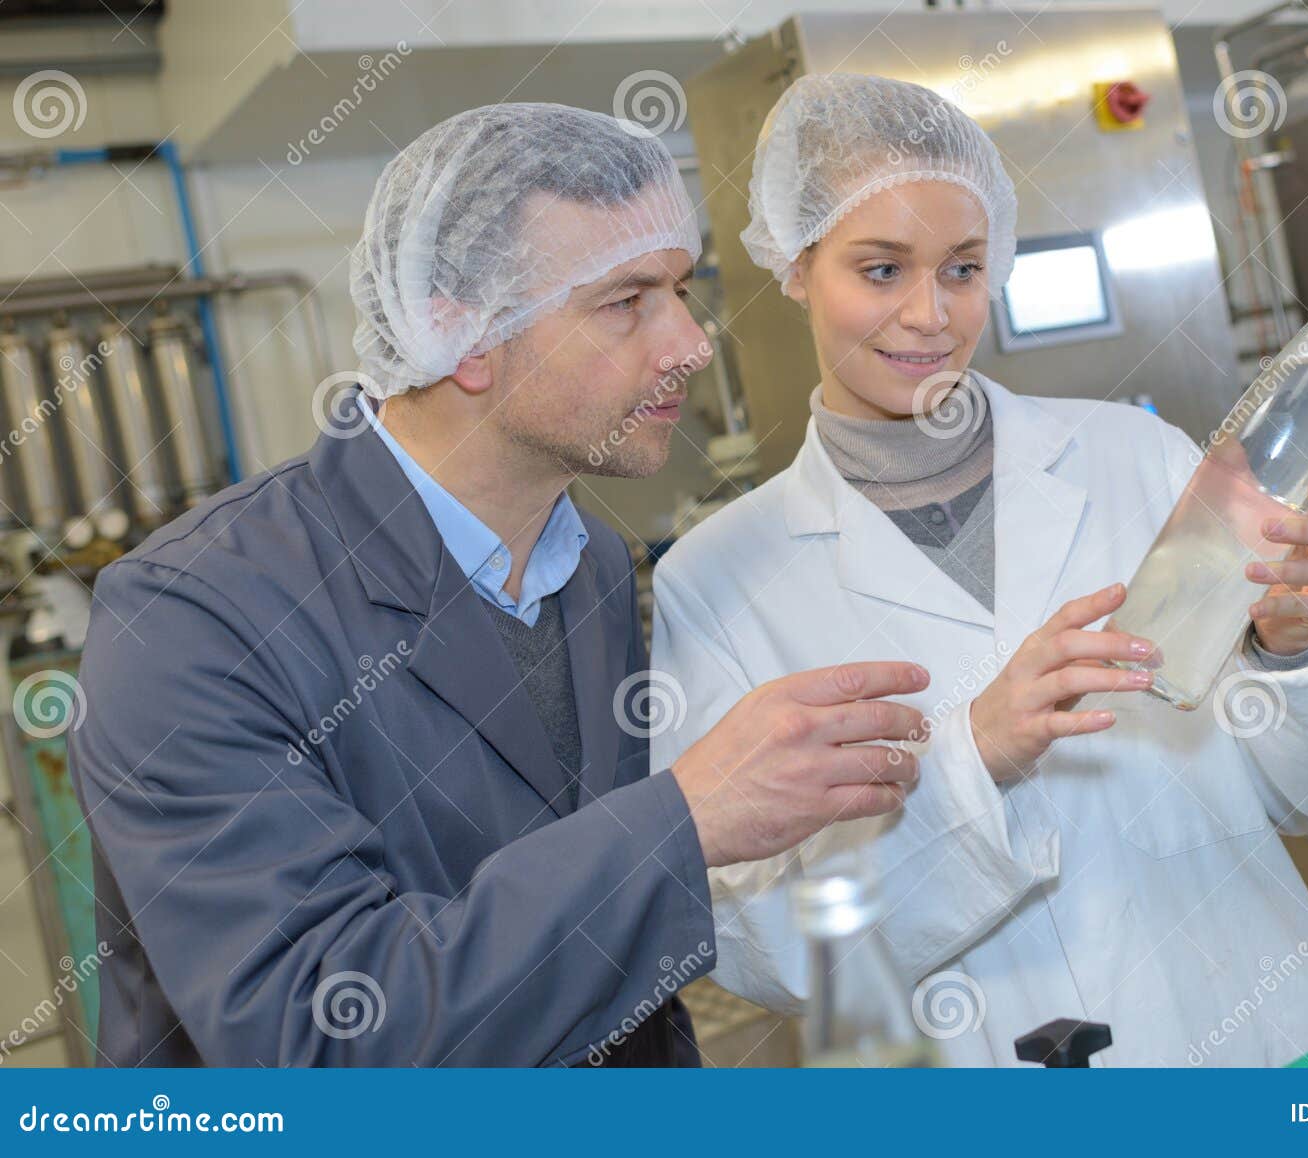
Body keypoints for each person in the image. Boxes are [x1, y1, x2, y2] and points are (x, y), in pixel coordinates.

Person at [68, 103, 931, 1067]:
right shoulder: (197, 617)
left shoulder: (590, 566)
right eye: (626, 302)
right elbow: (322, 1036)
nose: (689, 341)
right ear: (462, 334)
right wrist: (688, 816)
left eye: (682, 290)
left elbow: (608, 975)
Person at [648, 73, 1308, 1067]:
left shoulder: (1142, 461)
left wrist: (1291, 651)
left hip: (1263, 1046)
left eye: (961, 269)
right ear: (793, 266)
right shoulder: (721, 583)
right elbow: (755, 946)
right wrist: (972, 759)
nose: (929, 315)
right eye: (878, 270)